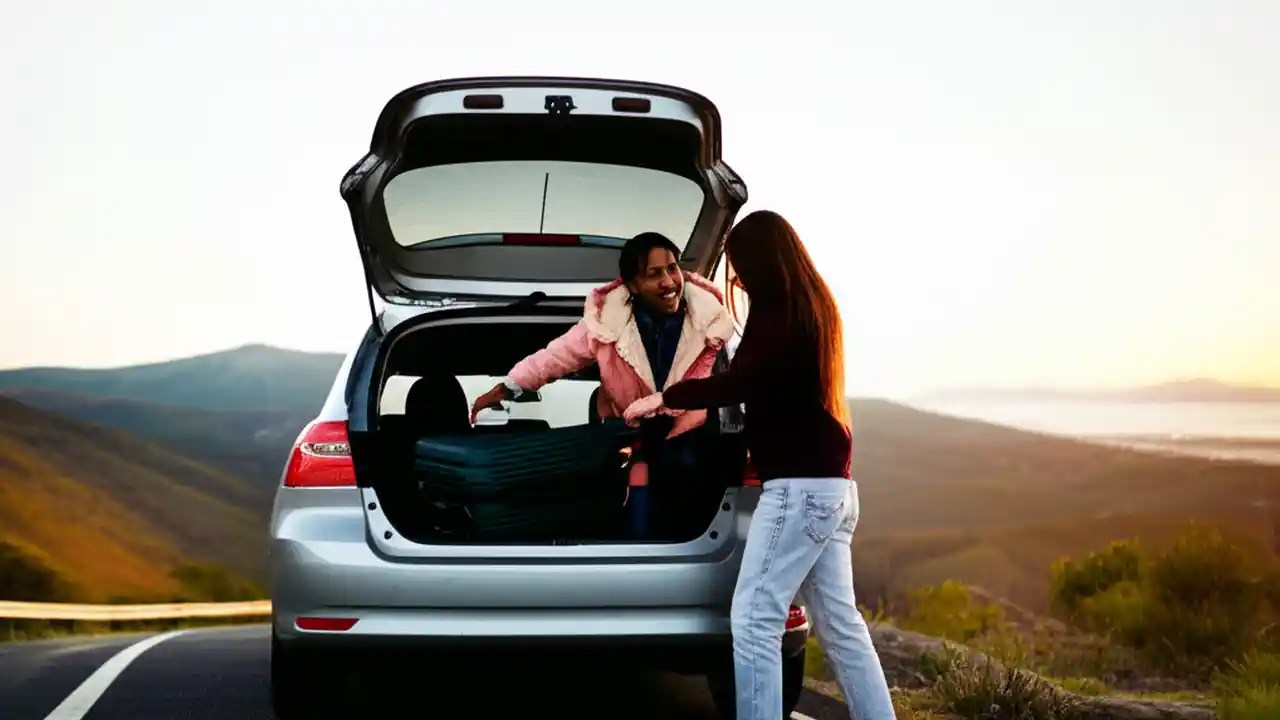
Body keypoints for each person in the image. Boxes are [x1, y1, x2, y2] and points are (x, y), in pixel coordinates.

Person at [622, 210, 895, 720]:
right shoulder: (811, 308)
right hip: (831, 488)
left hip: (797, 491)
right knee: (840, 625)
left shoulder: (779, 315)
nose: (739, 278)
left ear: (763, 262)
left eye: (741, 266)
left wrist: (665, 397)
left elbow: (736, 384)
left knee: (752, 619)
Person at [470, 231, 735, 540]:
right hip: (633, 436)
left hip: (689, 438)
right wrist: (506, 388)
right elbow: (556, 357)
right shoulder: (605, 323)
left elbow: (703, 383)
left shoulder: (709, 321)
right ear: (632, 285)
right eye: (654, 274)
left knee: (684, 496)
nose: (669, 281)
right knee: (637, 515)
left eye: (673, 268)